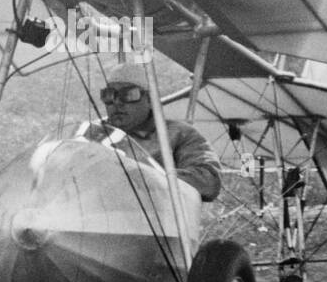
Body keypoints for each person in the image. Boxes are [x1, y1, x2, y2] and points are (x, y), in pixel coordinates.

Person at [81, 63, 222, 202]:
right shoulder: (91, 136)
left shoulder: (179, 134)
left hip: (156, 221)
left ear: (150, 99)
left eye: (129, 95)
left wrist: (146, 176)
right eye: (109, 95)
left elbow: (209, 180)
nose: (117, 102)